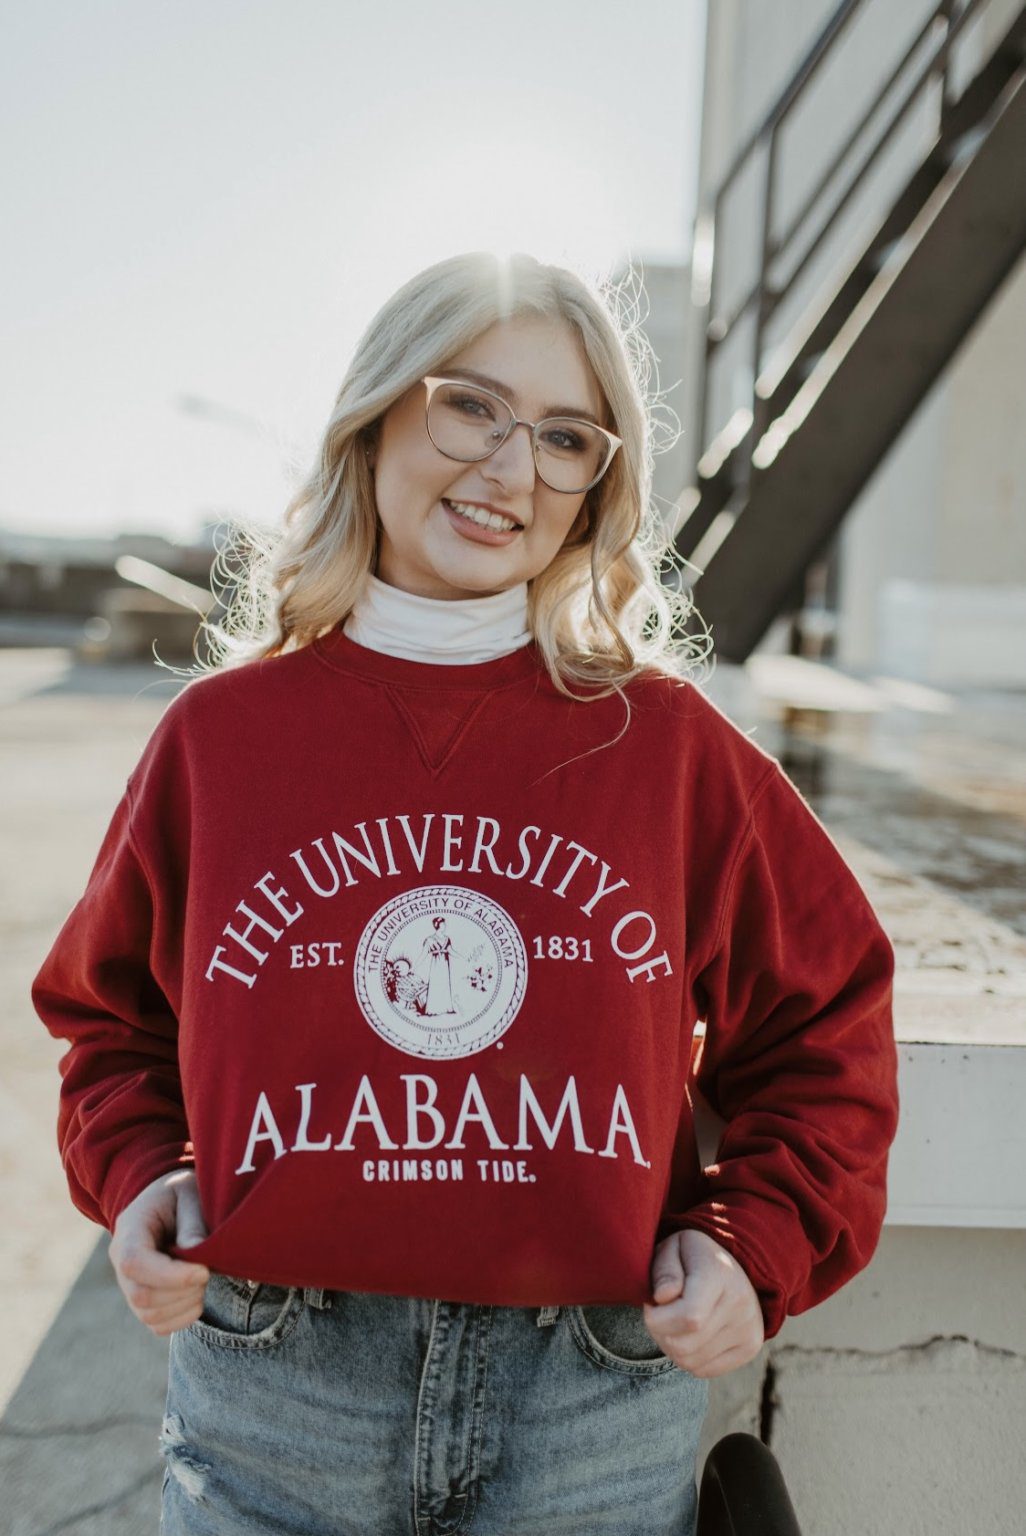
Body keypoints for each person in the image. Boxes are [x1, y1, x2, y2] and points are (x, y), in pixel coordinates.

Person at [31, 250, 899, 1536]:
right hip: (278, 1384)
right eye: (471, 407)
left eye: (565, 437)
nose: (510, 469)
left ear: (595, 489)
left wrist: (752, 1241)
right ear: (378, 414)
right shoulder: (221, 740)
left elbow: (830, 1023)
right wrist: (145, 1170)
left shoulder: (665, 748)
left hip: (591, 1391)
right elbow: (107, 1022)